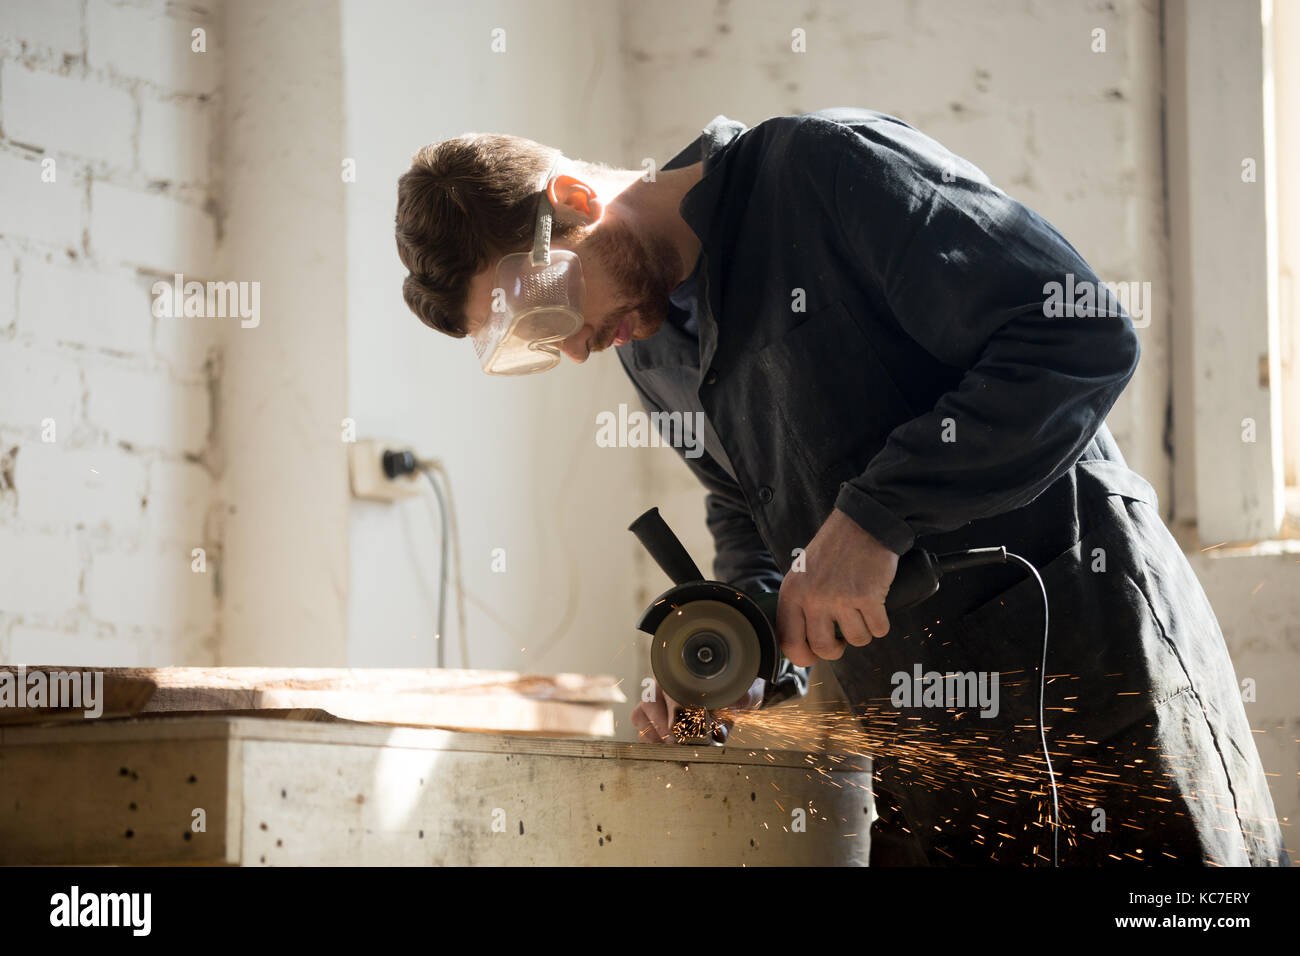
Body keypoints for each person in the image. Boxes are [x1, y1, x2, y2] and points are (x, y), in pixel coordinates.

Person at [394, 108, 1288, 867]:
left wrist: (875, 518)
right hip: (917, 738)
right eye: (543, 346)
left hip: (1090, 674)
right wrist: (737, 651)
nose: (580, 348)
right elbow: (751, 520)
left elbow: (1081, 337)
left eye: (554, 309)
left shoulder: (823, 171)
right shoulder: (654, 344)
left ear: (575, 203)